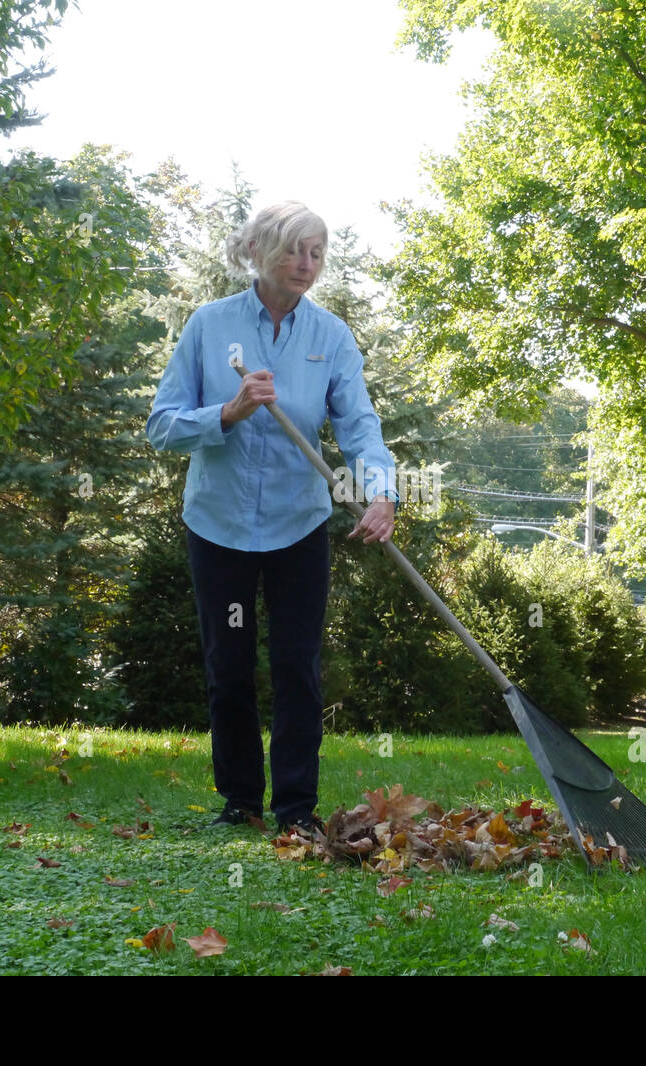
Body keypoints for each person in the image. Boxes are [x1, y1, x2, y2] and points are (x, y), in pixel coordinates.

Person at [146, 201, 399, 834]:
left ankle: (295, 809)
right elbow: (161, 426)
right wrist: (226, 414)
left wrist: (381, 491)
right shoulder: (209, 327)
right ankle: (239, 803)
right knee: (228, 671)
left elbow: (360, 428)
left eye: (316, 252)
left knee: (297, 668)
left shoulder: (331, 338)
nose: (306, 265)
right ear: (258, 252)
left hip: (299, 524)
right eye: (293, 250)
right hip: (219, 525)